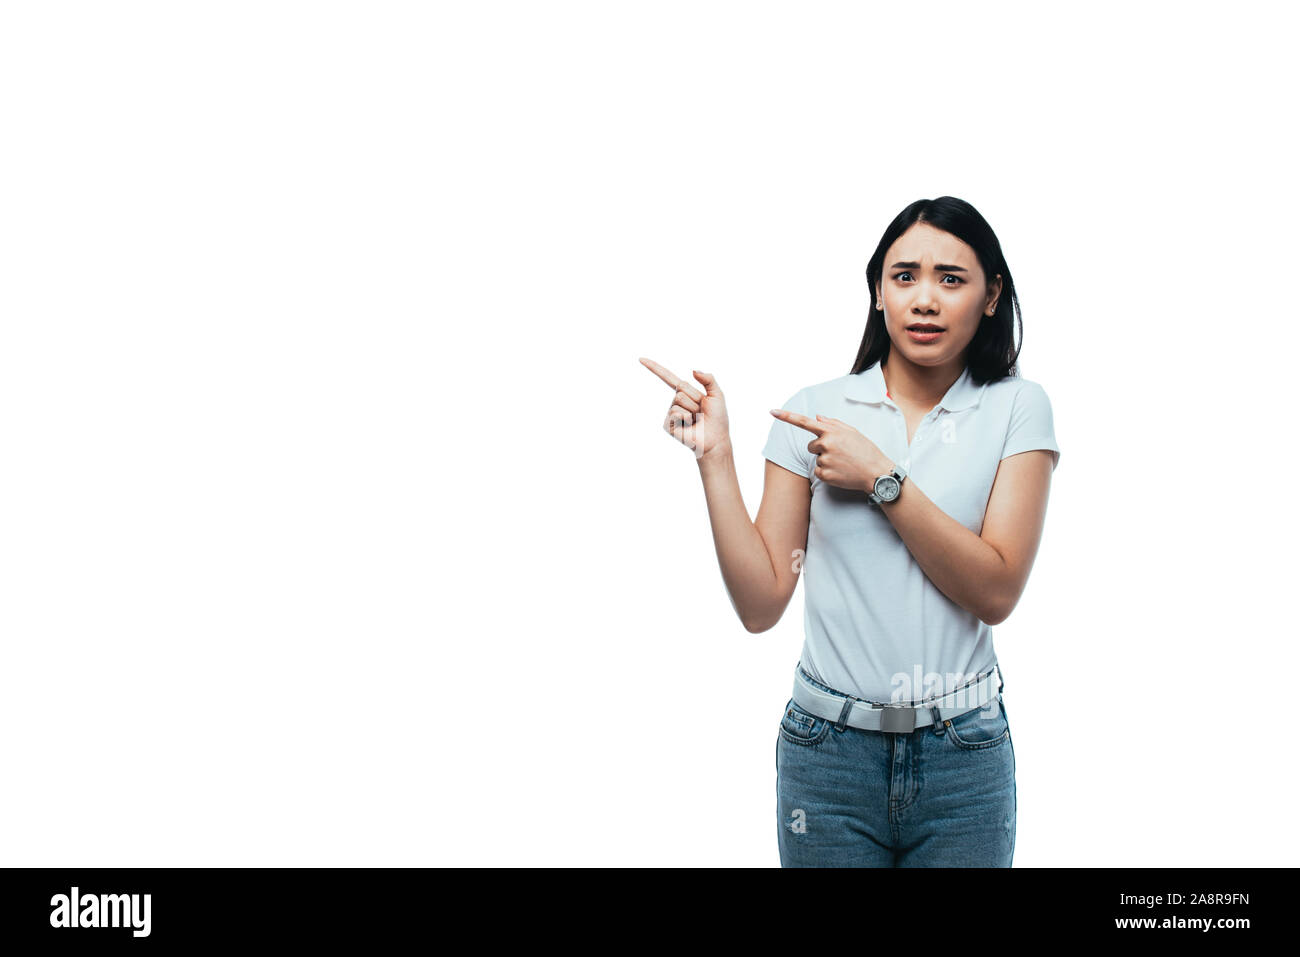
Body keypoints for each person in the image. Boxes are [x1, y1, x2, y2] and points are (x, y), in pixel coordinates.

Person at [639, 196, 1059, 867]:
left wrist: (880, 479)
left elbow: (997, 589)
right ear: (877, 291)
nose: (925, 299)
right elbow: (760, 603)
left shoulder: (1015, 406)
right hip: (828, 759)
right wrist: (716, 457)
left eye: (952, 279)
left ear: (990, 295)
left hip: (964, 759)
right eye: (904, 277)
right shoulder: (813, 412)